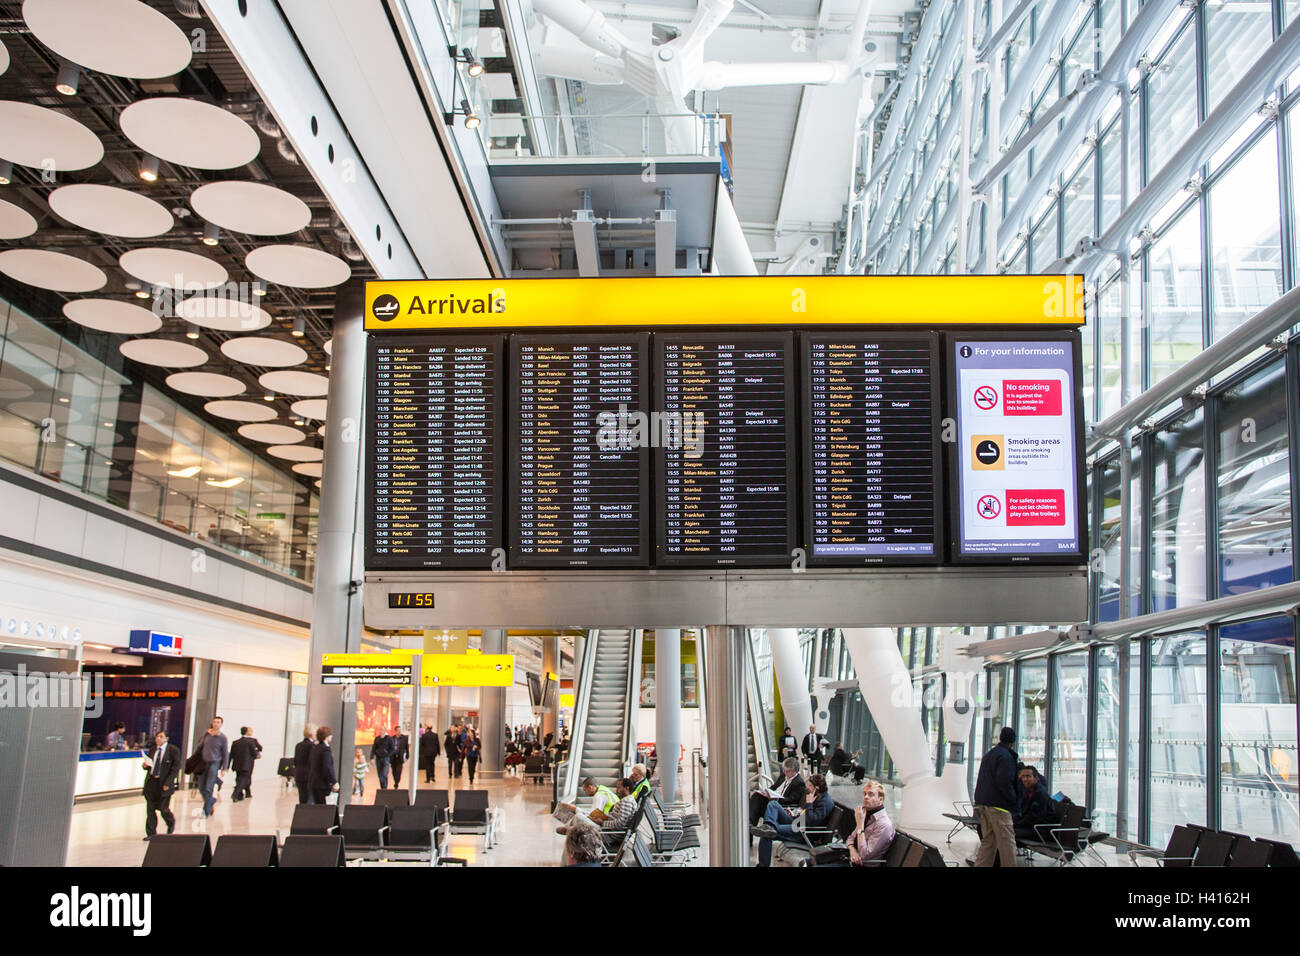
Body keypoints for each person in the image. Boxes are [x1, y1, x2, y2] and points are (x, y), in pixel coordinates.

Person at [751, 772, 835, 867]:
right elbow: (804, 813)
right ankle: (768, 825)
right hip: (798, 822)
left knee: (767, 834)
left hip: (804, 831)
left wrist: (809, 804)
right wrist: (795, 813)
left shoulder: (825, 802)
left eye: (810, 786)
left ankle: (762, 865)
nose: (808, 788)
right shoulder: (816, 796)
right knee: (773, 805)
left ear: (817, 788)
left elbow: (812, 821)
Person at [973, 726, 1019, 867]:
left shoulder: (990, 754)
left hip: (983, 803)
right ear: (1012, 742)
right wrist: (1013, 799)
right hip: (999, 806)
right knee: (1007, 843)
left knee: (989, 841)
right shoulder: (1005, 757)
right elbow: (1004, 782)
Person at [141, 729, 180, 840]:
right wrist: (145, 766)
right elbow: (150, 764)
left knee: (163, 809)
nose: (158, 738)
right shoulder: (153, 750)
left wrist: (169, 782)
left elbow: (176, 768)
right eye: (157, 736)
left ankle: (170, 822)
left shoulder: (173, 750)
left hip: (164, 784)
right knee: (150, 809)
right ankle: (151, 833)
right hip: (152, 782)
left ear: (166, 738)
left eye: (161, 736)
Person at [847, 780, 895, 865]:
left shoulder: (884, 824)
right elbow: (850, 839)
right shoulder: (866, 814)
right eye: (864, 794)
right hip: (851, 860)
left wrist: (860, 825)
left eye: (871, 794)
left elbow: (864, 855)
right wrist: (852, 850)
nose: (865, 797)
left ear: (880, 800)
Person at [748, 756, 806, 825]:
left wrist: (777, 798)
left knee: (760, 804)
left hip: (780, 806)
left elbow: (791, 799)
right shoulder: (783, 776)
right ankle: (750, 824)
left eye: (788, 771)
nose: (785, 773)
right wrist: (766, 792)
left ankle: (752, 824)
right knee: (757, 796)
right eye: (784, 770)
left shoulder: (799, 783)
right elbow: (774, 787)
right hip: (771, 800)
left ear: (795, 771)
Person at [1013, 764, 1057, 842]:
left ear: (1036, 778)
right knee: (1003, 831)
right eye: (1023, 777)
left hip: (1041, 830)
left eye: (1028, 776)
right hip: (1032, 827)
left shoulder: (1040, 794)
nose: (1025, 779)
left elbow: (1035, 817)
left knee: (1006, 833)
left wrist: (1015, 824)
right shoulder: (1028, 792)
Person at [196, 716, 230, 817]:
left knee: (208, 787)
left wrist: (225, 767)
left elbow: (225, 753)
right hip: (203, 762)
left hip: (214, 762)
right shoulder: (206, 734)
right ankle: (211, 800)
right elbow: (200, 747)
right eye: (214, 722)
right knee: (201, 787)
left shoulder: (222, 737)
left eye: (218, 722)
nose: (216, 724)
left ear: (221, 724)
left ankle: (205, 811)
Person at [229, 726, 262, 801]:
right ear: (247, 732)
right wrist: (257, 753)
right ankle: (235, 793)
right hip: (247, 764)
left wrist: (227, 765)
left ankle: (245, 794)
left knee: (239, 778)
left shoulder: (235, 742)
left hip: (237, 764)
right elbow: (255, 752)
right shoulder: (251, 741)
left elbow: (231, 755)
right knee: (244, 779)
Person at [308, 726, 338, 805]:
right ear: (327, 737)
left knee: (317, 807)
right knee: (324, 808)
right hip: (322, 784)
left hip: (313, 782)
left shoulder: (315, 748)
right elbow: (327, 767)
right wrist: (334, 781)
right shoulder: (325, 750)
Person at [293, 725, 316, 804]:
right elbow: (312, 762)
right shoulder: (312, 746)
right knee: (309, 800)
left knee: (302, 799)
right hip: (308, 776)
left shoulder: (298, 745)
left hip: (299, 775)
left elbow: (295, 761)